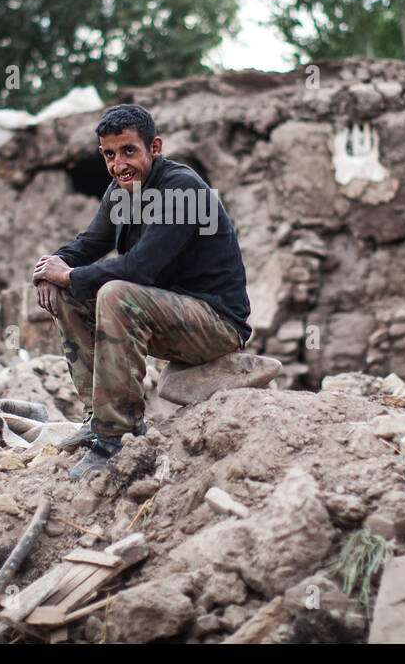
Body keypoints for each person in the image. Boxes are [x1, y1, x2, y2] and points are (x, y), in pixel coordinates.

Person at [32, 104, 252, 477]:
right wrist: (48, 269)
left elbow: (141, 268)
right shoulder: (120, 192)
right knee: (74, 290)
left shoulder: (182, 189)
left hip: (216, 323)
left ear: (154, 147)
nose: (119, 165)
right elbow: (86, 244)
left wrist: (68, 275)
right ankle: (97, 417)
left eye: (129, 151)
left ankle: (116, 437)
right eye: (109, 155)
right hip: (165, 314)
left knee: (113, 291)